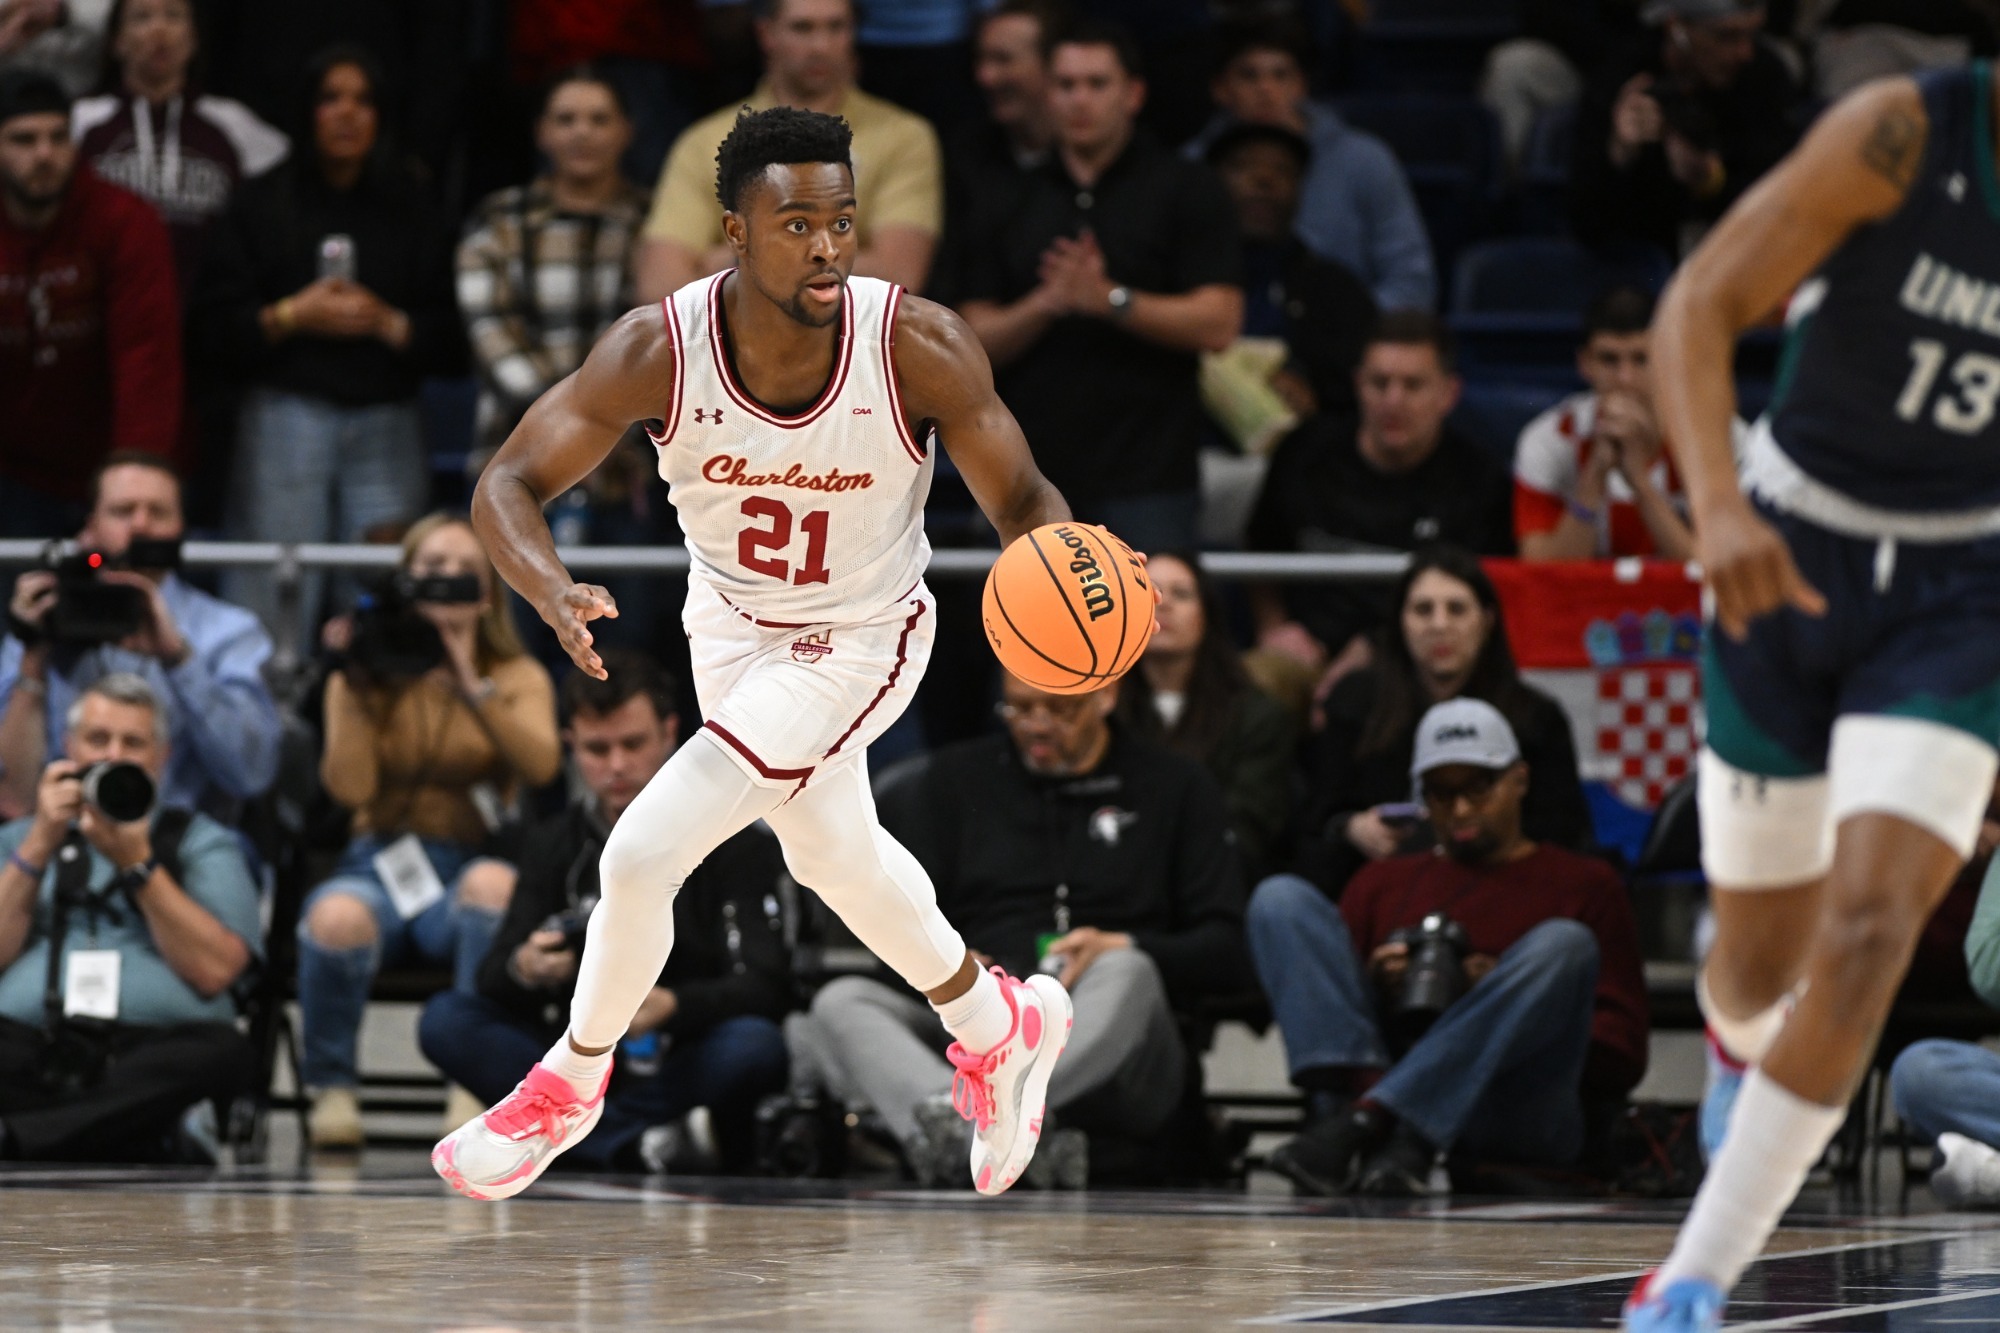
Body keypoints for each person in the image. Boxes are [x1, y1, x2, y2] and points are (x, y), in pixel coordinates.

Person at [435, 104, 1096, 1204]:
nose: (828, 245)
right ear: (732, 232)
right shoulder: (658, 348)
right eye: (796, 224)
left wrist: (1063, 582)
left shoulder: (915, 344)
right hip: (729, 628)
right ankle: (1000, 1021)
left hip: (863, 635)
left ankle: (568, 1079)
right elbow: (505, 481)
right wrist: (547, 588)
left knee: (642, 851)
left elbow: (1022, 494)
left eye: (841, 220)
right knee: (829, 858)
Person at [1619, 61, 2000, 1333]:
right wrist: (1716, 505)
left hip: (1962, 587)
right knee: (1755, 961)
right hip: (1789, 551)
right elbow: (1697, 303)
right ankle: (1737, 1043)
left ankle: (1691, 1279)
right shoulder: (1899, 132)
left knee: (1867, 930)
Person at [797, 668, 1249, 1185]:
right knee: (843, 1000)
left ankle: (991, 1120)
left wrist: (1122, 943)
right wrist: (953, 961)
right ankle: (974, 1126)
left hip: (1114, 1050)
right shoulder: (954, 779)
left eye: (1059, 710)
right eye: (1019, 708)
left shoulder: (1175, 785)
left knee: (1129, 969)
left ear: (1106, 695)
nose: (1036, 725)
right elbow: (894, 927)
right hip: (984, 1015)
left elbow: (1227, 952)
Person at [1249, 698, 1647, 1196]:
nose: (1459, 809)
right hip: (1383, 1083)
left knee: (1563, 945)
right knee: (1279, 898)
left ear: (1519, 780)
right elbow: (1335, 1008)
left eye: (1478, 788)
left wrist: (1505, 998)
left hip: (1513, 1106)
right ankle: (1379, 1112)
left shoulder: (1586, 884)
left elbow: (1622, 1054)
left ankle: (1372, 1118)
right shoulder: (1381, 882)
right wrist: (1378, 981)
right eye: (1440, 793)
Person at [419, 650, 791, 1174]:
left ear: (669, 733)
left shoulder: (734, 842)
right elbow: (493, 976)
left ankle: (588, 1138)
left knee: (754, 1045)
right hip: (572, 1052)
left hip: (680, 1050)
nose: (616, 766)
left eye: (632, 744)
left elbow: (766, 983)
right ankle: (640, 1142)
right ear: (571, 746)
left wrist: (673, 1005)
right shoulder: (555, 842)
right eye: (597, 749)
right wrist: (526, 967)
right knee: (446, 1019)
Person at [298, 514, 561, 1149]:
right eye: (430, 571)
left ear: (488, 594)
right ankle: (332, 1089)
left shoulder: (516, 675)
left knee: (496, 885)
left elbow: (542, 765)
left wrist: (473, 686)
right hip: (375, 865)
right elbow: (351, 790)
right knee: (333, 918)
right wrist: (357, 686)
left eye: (462, 574)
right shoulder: (368, 672)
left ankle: (471, 1083)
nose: (445, 586)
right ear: (404, 582)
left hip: (466, 867)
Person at [196, 43, 459, 648]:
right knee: (270, 590)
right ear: (307, 111)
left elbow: (453, 338)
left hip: (386, 421)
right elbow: (212, 330)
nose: (348, 114)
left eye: (364, 100)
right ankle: (268, 728)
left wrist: (388, 323)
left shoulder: (414, 207)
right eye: (331, 98)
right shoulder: (260, 202)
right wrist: (293, 315)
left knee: (385, 596)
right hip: (284, 416)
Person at [957, 19, 1242, 555]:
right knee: (1022, 636)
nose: (1079, 100)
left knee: (1154, 634)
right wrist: (1046, 303)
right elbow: (968, 340)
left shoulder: (1188, 188)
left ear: (1133, 93)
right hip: (1024, 478)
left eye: (1096, 84)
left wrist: (1112, 300)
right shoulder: (1004, 196)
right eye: (1066, 85)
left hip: (1151, 477)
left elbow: (1220, 321)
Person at [0, 673, 260, 1161]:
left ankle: (18, 1139)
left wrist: (138, 865)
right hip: (32, 1044)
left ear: (163, 757)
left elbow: (217, 971)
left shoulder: (201, 841)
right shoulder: (19, 839)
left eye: (133, 742)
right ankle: (123, 1131)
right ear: (68, 745)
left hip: (150, 1048)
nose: (113, 756)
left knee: (224, 1052)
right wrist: (39, 844)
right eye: (98, 739)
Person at [1292, 547, 1592, 898]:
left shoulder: (1535, 716)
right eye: (1423, 610)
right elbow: (1310, 824)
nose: (1439, 625)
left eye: (1457, 609)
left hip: (1498, 899)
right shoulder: (1354, 703)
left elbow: (1563, 836)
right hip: (1373, 898)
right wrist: (1349, 828)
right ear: (1400, 621)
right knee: (1281, 898)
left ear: (1487, 620)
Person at [0, 454, 282, 822]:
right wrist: (34, 661)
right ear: (90, 528)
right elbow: (10, 795)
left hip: (179, 844)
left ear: (181, 527)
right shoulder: (44, 622)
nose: (140, 525)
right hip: (58, 837)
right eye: (123, 511)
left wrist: (180, 660)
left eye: (157, 512)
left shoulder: (229, 631)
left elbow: (252, 774)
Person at [1247, 313, 1513, 692]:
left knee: (1360, 700)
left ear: (1448, 394)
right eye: (1379, 383)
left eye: (1413, 385)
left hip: (1416, 657)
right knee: (1257, 686)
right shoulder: (1304, 453)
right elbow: (1260, 549)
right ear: (1358, 384)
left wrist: (1377, 650)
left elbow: (1480, 602)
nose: (1393, 401)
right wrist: (1274, 627)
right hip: (1307, 651)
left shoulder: (1479, 479)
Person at [635, 0, 942, 303]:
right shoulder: (707, 140)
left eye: (837, 27)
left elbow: (897, 275)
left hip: (856, 342)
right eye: (802, 28)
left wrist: (739, 257)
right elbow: (660, 284)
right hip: (734, 343)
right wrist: (837, 259)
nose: (821, 46)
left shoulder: (903, 135)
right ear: (767, 33)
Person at [0, 67, 178, 537]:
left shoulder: (124, 221)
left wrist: (130, 487)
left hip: (108, 458)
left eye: (59, 137)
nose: (45, 155)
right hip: (11, 470)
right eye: (24, 140)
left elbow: (147, 358)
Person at [459, 66, 648, 462]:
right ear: (542, 132)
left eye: (599, 119)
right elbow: (492, 335)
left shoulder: (654, 221)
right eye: (566, 119)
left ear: (626, 131)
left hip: (632, 463)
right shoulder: (499, 220)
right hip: (516, 455)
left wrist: (610, 429)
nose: (582, 132)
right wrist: (579, 426)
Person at [1185, 18, 1434, 311]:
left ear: (1302, 85)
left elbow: (1412, 282)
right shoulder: (1190, 167)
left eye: (1281, 76)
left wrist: (1345, 328)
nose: (1265, 90)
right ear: (1221, 88)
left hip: (1346, 340)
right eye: (1249, 76)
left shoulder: (1366, 160)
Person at [72, 0, 288, 301]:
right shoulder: (79, 122)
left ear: (194, 37)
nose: (159, 29)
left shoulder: (235, 125)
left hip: (205, 310)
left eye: (173, 15)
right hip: (103, 303)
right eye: (142, 17)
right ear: (117, 41)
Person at [1516, 286, 1746, 563]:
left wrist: (1639, 482)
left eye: (1641, 359)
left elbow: (1719, 573)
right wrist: (1594, 476)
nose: (1625, 378)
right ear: (1585, 363)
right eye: (1609, 360)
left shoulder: (1722, 438)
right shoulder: (1551, 441)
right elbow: (1540, 572)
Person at [1570, 0, 1804, 260]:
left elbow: (1783, 199)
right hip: (1644, 259)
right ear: (1676, 29)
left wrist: (1711, 181)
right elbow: (1586, 224)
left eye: (1752, 34)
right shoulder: (1625, 76)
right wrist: (1620, 152)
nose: (1744, 52)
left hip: (1744, 253)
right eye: (1726, 36)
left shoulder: (1762, 74)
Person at [1113, 551, 1296, 884]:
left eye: (1181, 594)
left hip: (1219, 881)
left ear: (1207, 614)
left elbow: (1249, 831)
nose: (1163, 605)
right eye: (1149, 592)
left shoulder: (1257, 716)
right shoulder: (1100, 709)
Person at [1204, 120, 1377, 427]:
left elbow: (1366, 392)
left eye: (1283, 170)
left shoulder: (1335, 290)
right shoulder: (1174, 283)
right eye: (1242, 166)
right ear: (1211, 181)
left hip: (1304, 457)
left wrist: (1313, 393)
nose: (1264, 179)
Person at [931, 0, 1058, 307]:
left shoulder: (1097, 164)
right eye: (982, 60)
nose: (986, 77)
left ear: (1054, 64)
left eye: (1004, 60)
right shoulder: (966, 159)